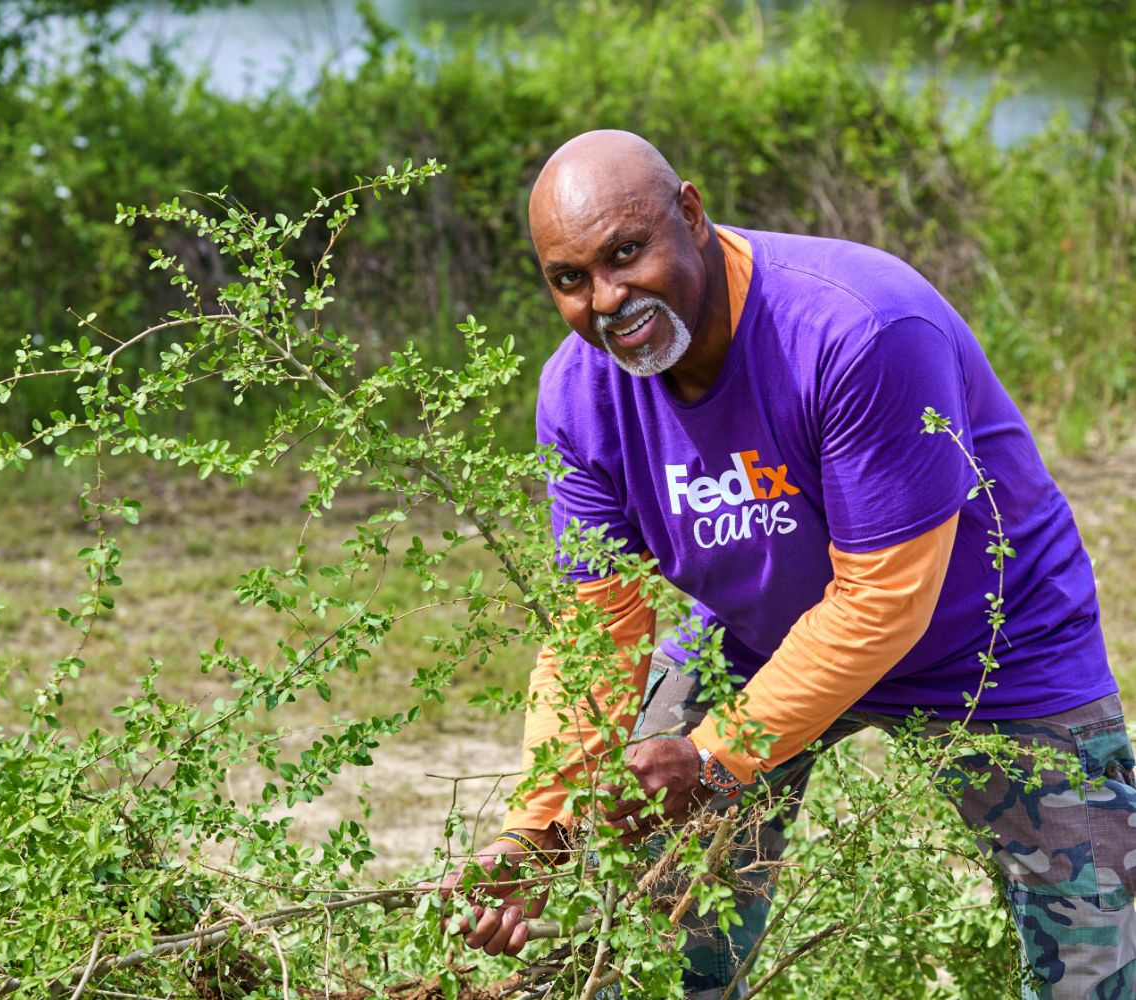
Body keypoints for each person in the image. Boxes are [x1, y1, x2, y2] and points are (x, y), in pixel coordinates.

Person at [433, 130, 1135, 998]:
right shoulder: (579, 396)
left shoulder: (859, 328)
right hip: (760, 640)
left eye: (626, 253)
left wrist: (714, 755)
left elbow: (883, 602)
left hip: (991, 645)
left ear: (690, 215)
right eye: (570, 279)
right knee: (649, 939)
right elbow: (598, 629)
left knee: (1098, 961)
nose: (607, 301)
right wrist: (535, 829)